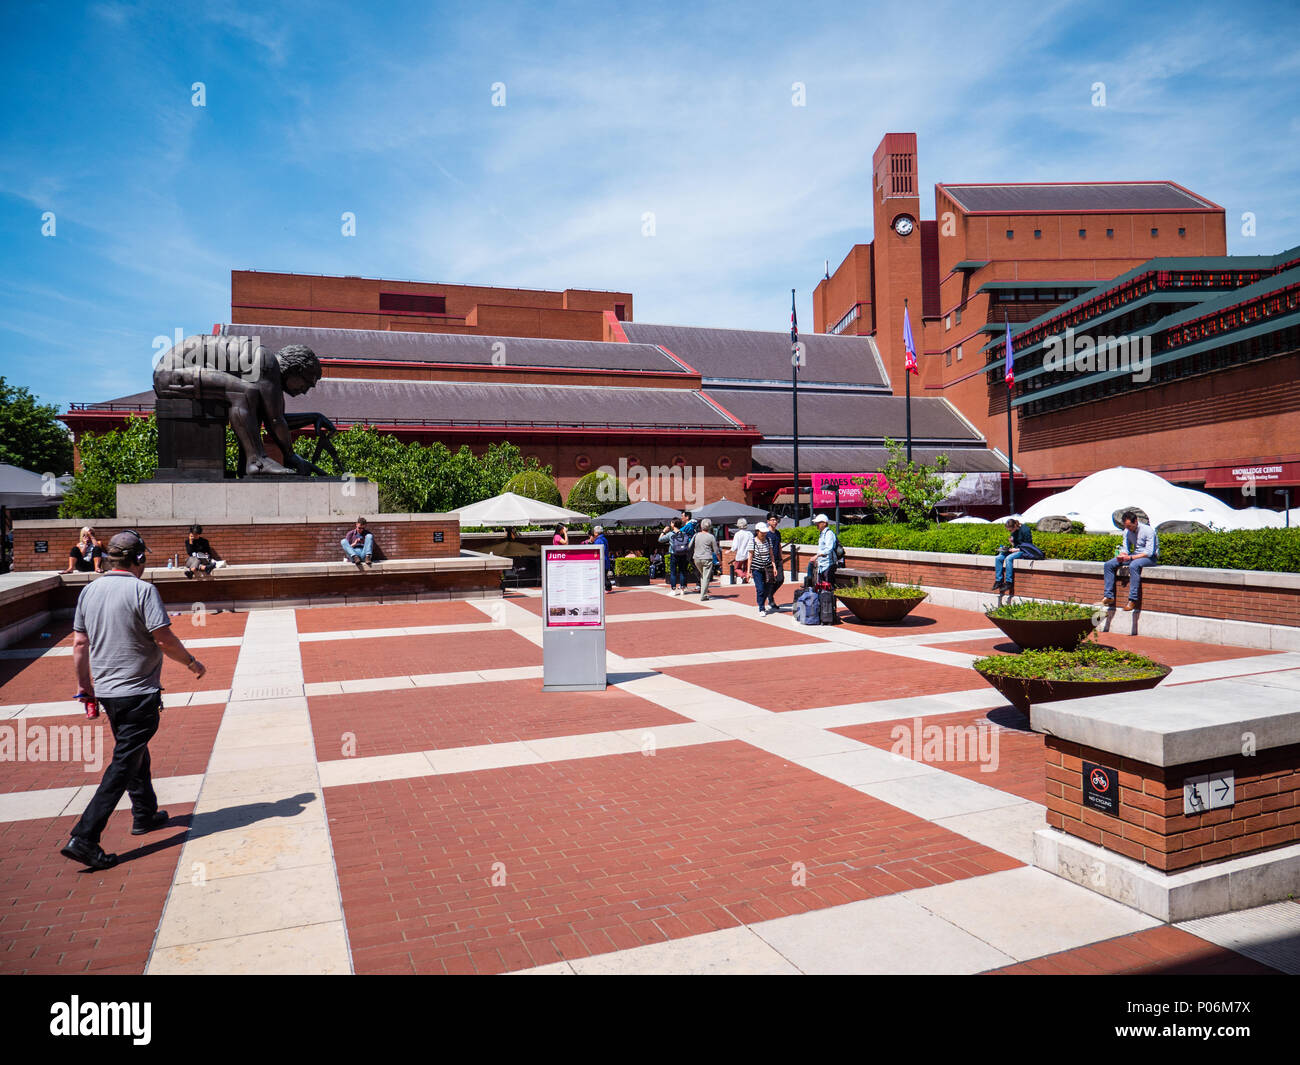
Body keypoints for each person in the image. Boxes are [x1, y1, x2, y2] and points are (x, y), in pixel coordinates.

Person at [61, 530, 207, 870]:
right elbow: (164, 638)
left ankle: (144, 813)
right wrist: (191, 663)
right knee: (124, 760)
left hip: (109, 693)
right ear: (138, 558)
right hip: (139, 692)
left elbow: (79, 645)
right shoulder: (143, 590)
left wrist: (86, 689)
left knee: (132, 749)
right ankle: (85, 837)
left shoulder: (89, 590)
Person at [1103, 511, 1159, 611]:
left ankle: (1132, 599)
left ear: (1136, 521)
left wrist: (1131, 558)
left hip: (1150, 558)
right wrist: (1123, 554)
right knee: (1108, 564)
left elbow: (1149, 552)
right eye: (1126, 526)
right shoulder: (1126, 531)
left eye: (1130, 526)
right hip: (1134, 555)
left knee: (1134, 565)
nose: (1128, 529)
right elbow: (1126, 549)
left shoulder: (1148, 530)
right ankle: (1109, 596)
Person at [993, 518, 1045, 593]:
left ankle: (1008, 582)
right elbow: (1015, 544)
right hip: (1015, 549)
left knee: (1009, 558)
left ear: (1015, 526)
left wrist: (1016, 549)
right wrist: (1011, 543)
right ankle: (998, 580)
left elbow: (1028, 546)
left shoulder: (1025, 530)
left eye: (1010, 530)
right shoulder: (1014, 531)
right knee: (998, 558)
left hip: (1023, 550)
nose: (1010, 532)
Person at [806, 514, 840, 590]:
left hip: (829, 564)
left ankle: (830, 601)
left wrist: (817, 556)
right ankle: (824, 601)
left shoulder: (829, 534)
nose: (816, 525)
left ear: (824, 523)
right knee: (822, 586)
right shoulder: (822, 534)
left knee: (828, 586)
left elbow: (829, 549)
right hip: (822, 564)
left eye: (818, 523)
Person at [661, 518, 693, 595]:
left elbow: (660, 539)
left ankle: (673, 590)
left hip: (674, 554)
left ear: (673, 524)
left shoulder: (670, 534)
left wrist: (663, 531)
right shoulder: (684, 533)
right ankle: (682, 589)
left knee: (673, 572)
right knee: (682, 571)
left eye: (671, 523)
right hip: (683, 554)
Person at [692, 518, 719, 601]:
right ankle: (703, 595)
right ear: (710, 526)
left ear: (701, 526)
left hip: (696, 558)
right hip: (707, 558)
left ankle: (703, 592)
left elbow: (689, 546)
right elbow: (716, 551)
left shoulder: (696, 535)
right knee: (706, 577)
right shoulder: (711, 537)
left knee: (703, 576)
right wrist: (720, 561)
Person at [752, 527, 776, 615]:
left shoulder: (768, 540)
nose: (764, 534)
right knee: (760, 589)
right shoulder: (753, 541)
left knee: (768, 587)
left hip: (768, 567)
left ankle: (761, 601)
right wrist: (748, 571)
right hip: (756, 568)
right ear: (757, 532)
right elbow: (750, 556)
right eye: (762, 533)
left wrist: (774, 567)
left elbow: (771, 554)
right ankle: (761, 607)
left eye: (765, 533)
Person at [588, 525, 614, 590]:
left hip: (602, 560)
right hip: (605, 560)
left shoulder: (598, 540)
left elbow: (596, 551)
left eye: (594, 532)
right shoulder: (604, 539)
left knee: (603, 576)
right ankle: (607, 587)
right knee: (604, 575)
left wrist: (590, 543)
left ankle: (608, 587)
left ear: (596, 533)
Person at [731, 518, 754, 584]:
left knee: (737, 568)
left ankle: (743, 576)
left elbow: (735, 546)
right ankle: (746, 578)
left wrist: (731, 550)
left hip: (740, 554)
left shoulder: (737, 534)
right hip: (748, 554)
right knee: (747, 568)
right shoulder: (750, 534)